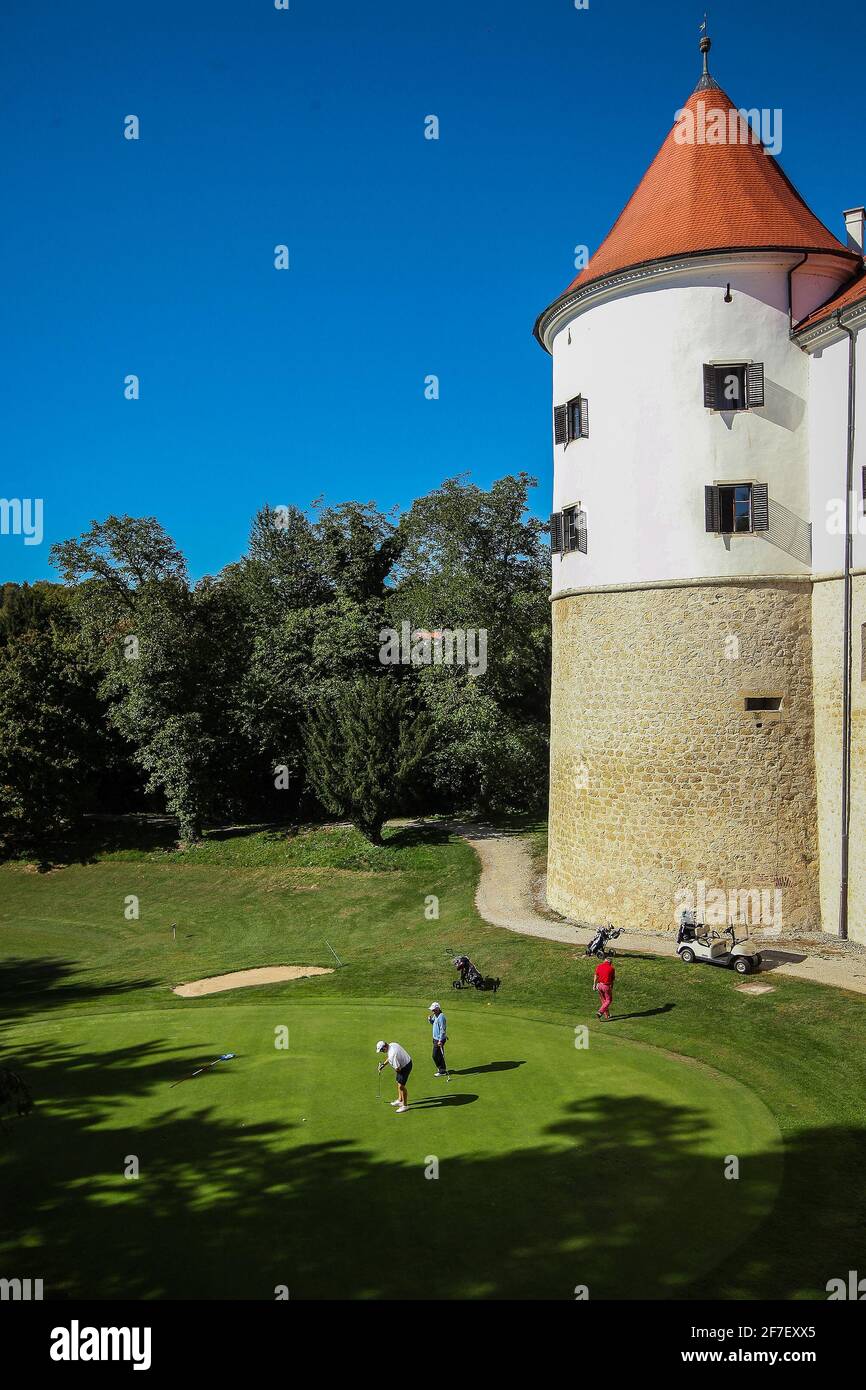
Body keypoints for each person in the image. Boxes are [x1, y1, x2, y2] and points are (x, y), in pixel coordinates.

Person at [376, 1040, 412, 1113]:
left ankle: (405, 1105)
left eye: (382, 1050)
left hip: (405, 1066)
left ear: (385, 1047)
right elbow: (389, 1059)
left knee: (401, 1086)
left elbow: (397, 1069)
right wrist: (383, 1065)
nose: (382, 1052)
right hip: (405, 1062)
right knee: (398, 1082)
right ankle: (400, 1100)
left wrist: (398, 1073)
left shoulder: (392, 1054)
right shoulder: (392, 1044)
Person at [428, 1002, 449, 1077]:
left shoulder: (441, 1017)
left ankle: (442, 1070)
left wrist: (440, 1040)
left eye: (434, 1010)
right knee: (439, 1054)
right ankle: (443, 1069)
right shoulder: (435, 1015)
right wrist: (430, 1020)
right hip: (435, 1038)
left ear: (438, 1009)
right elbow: (434, 1023)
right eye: (432, 1010)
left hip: (439, 1039)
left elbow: (442, 1029)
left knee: (434, 1055)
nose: (432, 1011)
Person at [593, 956, 615, 1021]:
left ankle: (607, 1015)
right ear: (610, 962)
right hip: (606, 986)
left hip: (599, 985)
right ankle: (600, 1012)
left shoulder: (599, 966)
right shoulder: (612, 969)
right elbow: (612, 979)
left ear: (605, 961)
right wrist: (612, 987)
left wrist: (594, 985)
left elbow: (596, 975)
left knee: (604, 1001)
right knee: (608, 1000)